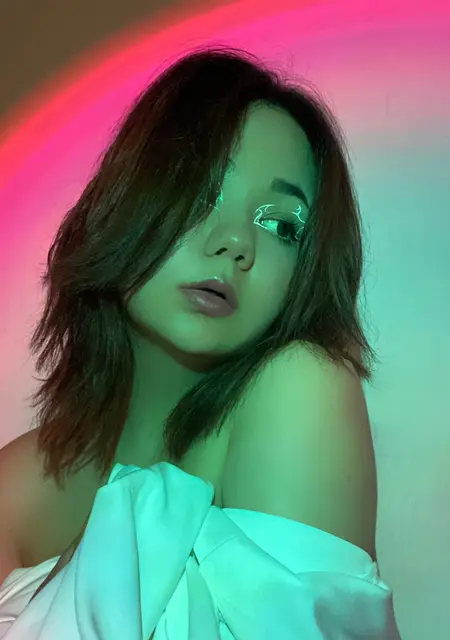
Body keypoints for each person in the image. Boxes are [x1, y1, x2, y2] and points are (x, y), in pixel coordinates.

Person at [0, 45, 401, 638]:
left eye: (280, 224)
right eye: (201, 191)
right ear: (126, 198)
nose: (236, 242)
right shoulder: (17, 484)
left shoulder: (300, 391)